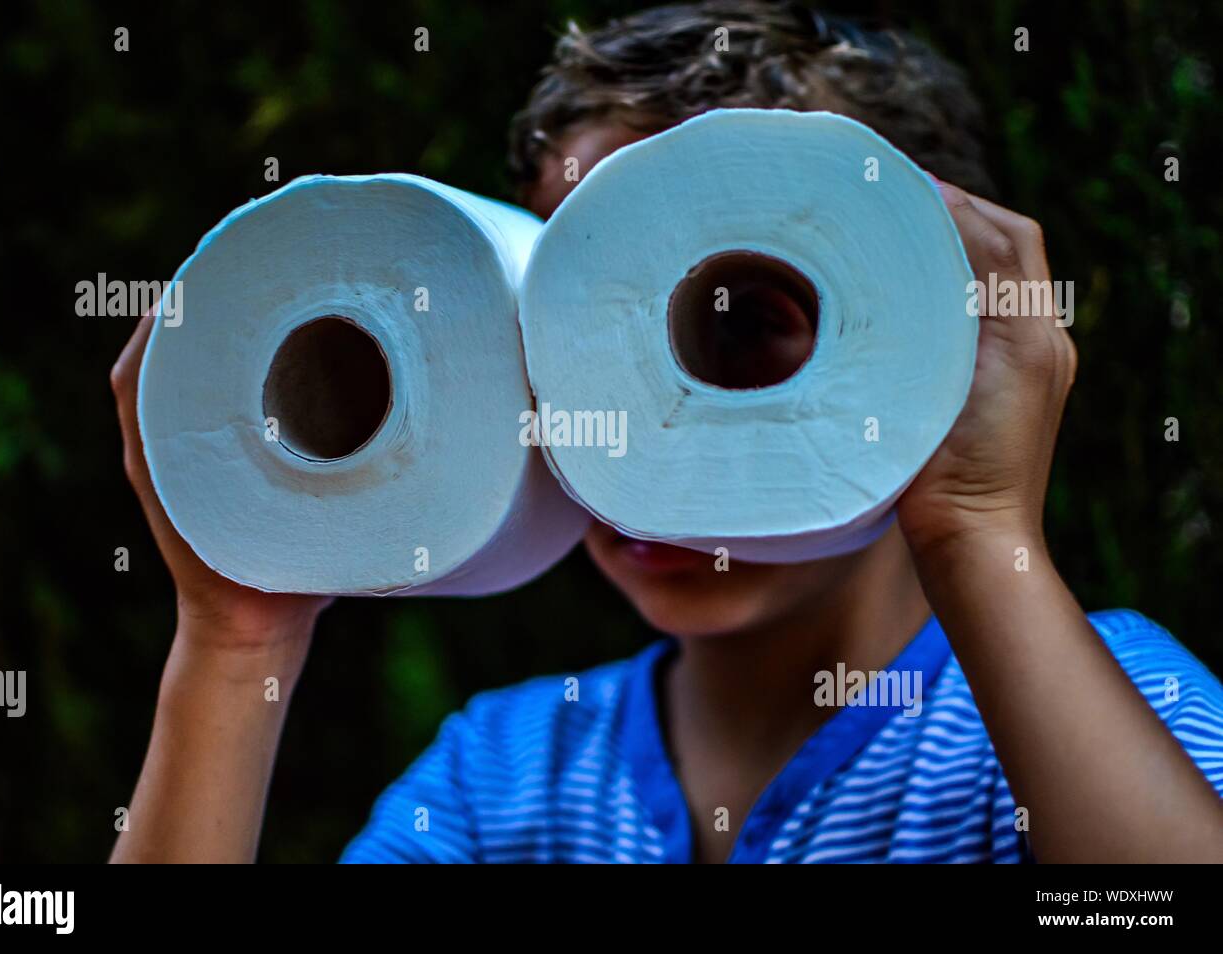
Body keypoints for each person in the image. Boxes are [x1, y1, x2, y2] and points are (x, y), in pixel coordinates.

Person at [109, 1, 1223, 863]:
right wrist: (232, 644)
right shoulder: (502, 780)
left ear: (934, 337)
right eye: (558, 333)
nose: (624, 421)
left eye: (752, 331)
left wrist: (982, 531)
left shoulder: (1084, 706)